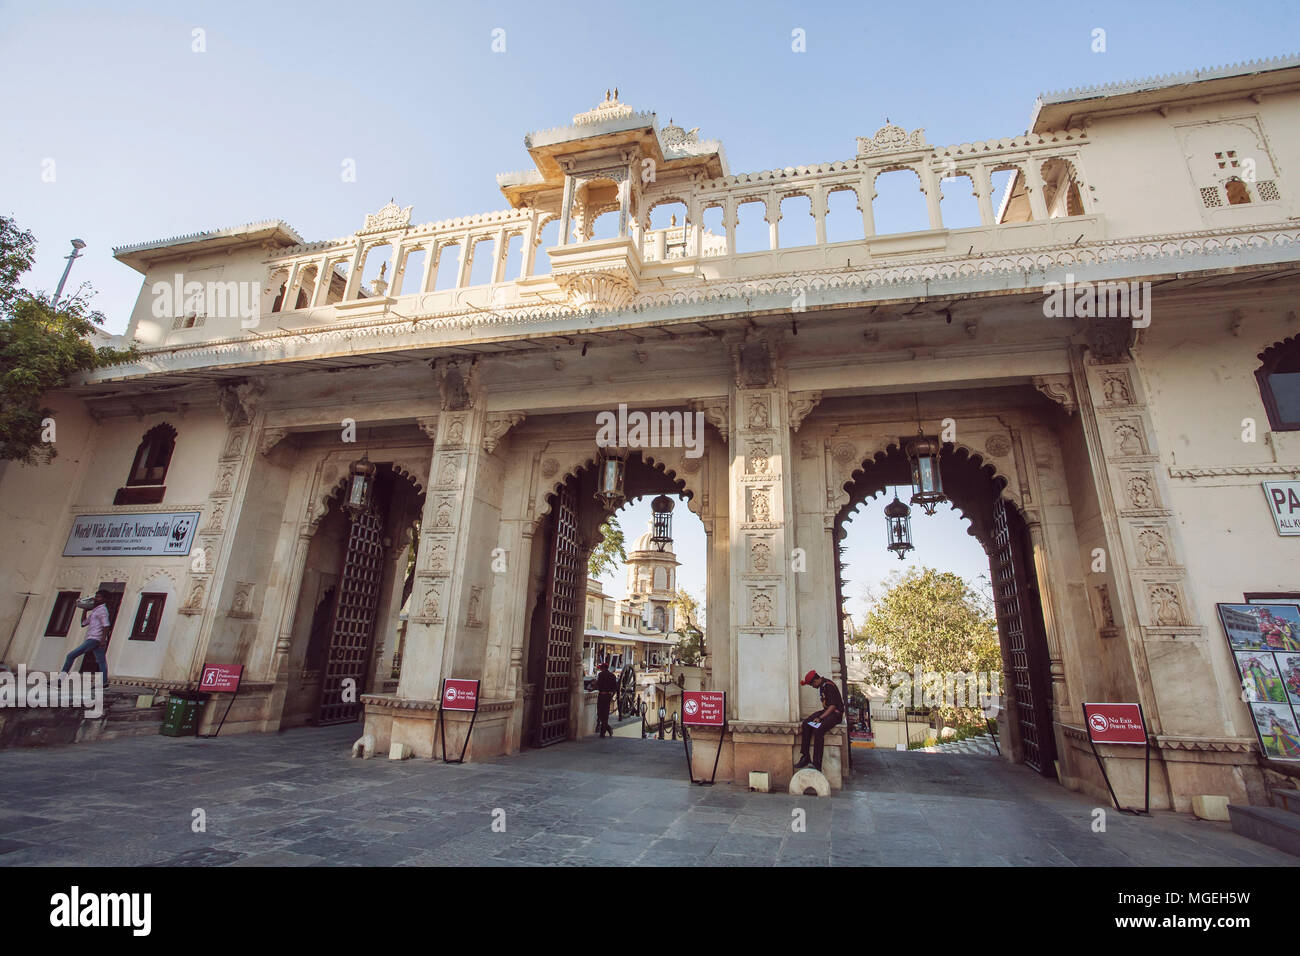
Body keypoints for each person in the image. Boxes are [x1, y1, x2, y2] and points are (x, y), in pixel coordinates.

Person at [795, 669, 843, 772]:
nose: (812, 687)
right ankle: (805, 756)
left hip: (835, 714)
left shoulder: (828, 685)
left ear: (815, 680)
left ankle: (817, 764)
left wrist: (820, 718)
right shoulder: (822, 686)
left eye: (812, 684)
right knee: (806, 723)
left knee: (819, 730)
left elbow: (833, 706)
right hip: (827, 711)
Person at [62, 590, 111, 681]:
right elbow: (83, 623)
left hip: (95, 638)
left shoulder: (102, 610)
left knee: (71, 655)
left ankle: (60, 680)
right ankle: (104, 683)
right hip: (94, 638)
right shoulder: (95, 611)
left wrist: (103, 640)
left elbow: (106, 625)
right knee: (101, 661)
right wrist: (85, 610)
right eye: (96, 596)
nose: (96, 599)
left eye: (99, 597)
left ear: (105, 599)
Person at [595, 661, 618, 738]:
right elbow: (615, 688)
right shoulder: (613, 676)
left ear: (603, 668)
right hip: (608, 696)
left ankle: (605, 730)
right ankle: (605, 730)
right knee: (605, 714)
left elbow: (598, 685)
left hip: (601, 695)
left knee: (600, 713)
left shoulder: (601, 675)